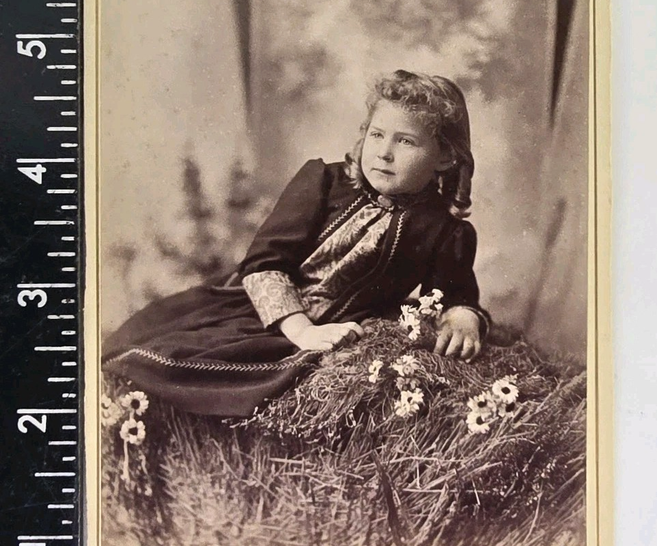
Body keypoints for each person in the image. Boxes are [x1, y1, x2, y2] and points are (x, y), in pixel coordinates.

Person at [103, 70, 490, 418]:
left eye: (405, 141)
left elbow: (453, 294)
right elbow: (263, 265)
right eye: (376, 134)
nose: (384, 152)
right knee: (165, 359)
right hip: (261, 312)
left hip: (339, 331)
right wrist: (303, 330)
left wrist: (462, 317)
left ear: (443, 157)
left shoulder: (445, 231)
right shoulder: (324, 182)